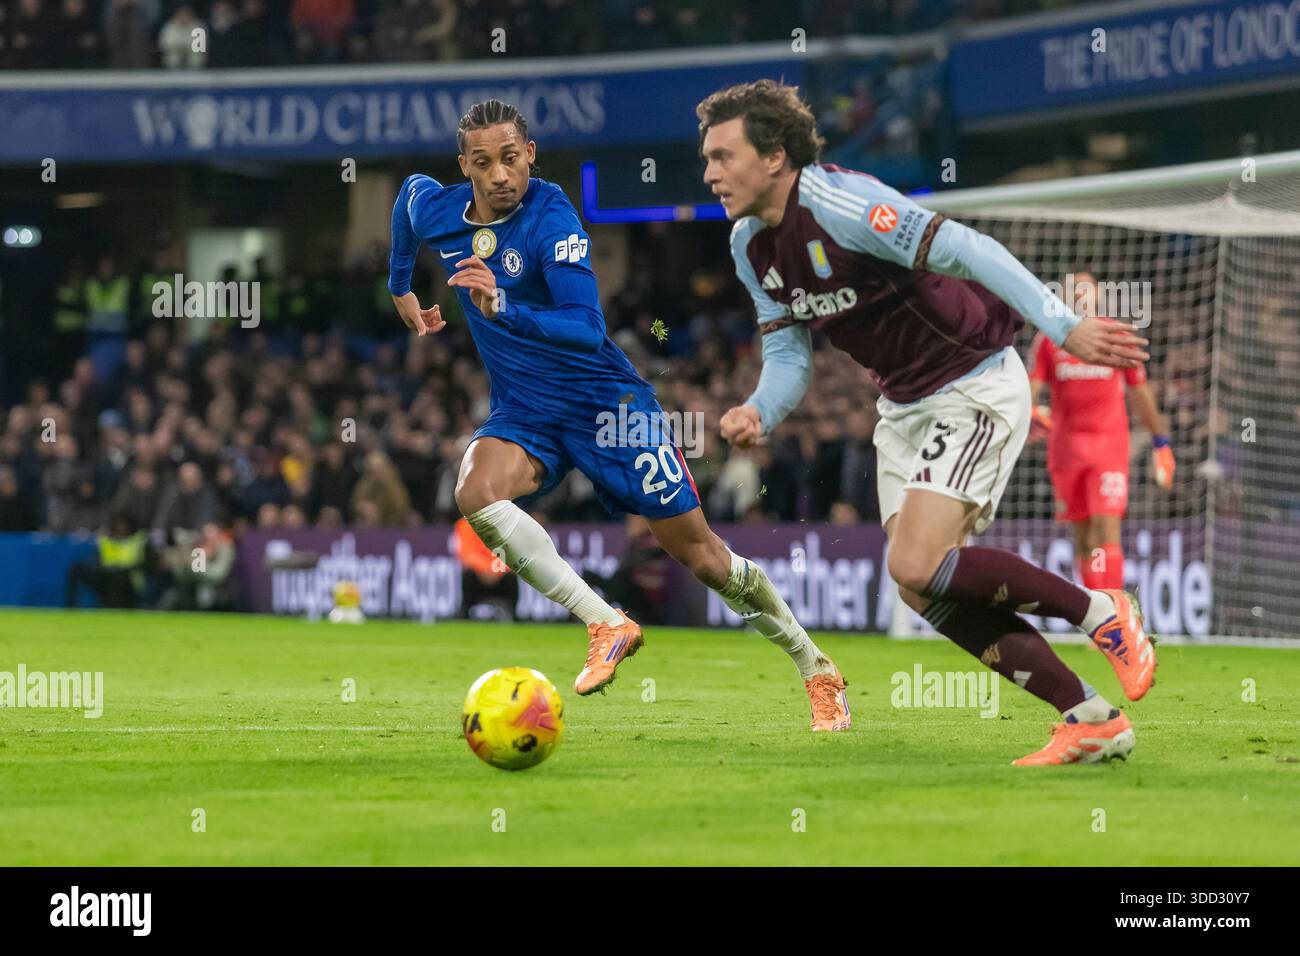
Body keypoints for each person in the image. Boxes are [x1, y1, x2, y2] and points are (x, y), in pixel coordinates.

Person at [701, 79, 1155, 764]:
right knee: (918, 587)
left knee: (915, 560)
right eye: (705, 158)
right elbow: (790, 354)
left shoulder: (844, 203)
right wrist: (758, 409)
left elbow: (970, 248)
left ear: (774, 157)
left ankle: (1100, 611)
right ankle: (1090, 716)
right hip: (903, 406)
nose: (709, 174)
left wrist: (1061, 326)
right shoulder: (748, 245)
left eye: (722, 156)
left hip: (972, 379)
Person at [389, 98, 849, 730]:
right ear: (463, 166)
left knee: (706, 559)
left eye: (510, 158)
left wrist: (504, 308)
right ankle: (605, 621)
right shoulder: (441, 209)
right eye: (483, 163)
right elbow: (407, 200)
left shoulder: (553, 219)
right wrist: (400, 286)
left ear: (530, 155)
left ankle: (815, 666)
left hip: (609, 407)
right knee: (476, 490)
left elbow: (585, 327)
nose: (500, 175)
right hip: (527, 412)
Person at [1027, 270, 1174, 591]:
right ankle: (1099, 616)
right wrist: (1029, 412)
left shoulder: (1116, 336)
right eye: (1072, 290)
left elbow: (1140, 391)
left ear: (1097, 296)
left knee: (1106, 528)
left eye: (1085, 289)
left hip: (1109, 448)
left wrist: (1161, 441)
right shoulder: (1049, 339)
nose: (1079, 295)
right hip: (1066, 451)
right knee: (1082, 537)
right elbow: (1031, 391)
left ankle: (1116, 612)